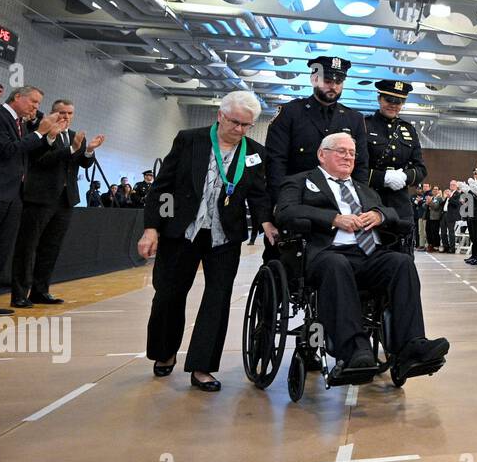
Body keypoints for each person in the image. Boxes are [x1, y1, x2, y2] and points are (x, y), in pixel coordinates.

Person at [274, 132, 449, 385]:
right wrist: (333, 218)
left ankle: (412, 346)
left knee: (401, 263)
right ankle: (355, 350)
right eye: (341, 151)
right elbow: (286, 211)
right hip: (327, 254)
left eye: (352, 153)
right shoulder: (300, 181)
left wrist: (379, 215)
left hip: (368, 255)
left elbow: (393, 214)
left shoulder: (364, 190)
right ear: (322, 155)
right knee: (337, 264)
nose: (348, 156)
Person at [140, 91, 276, 391]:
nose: (240, 130)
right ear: (221, 115)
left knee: (217, 299)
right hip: (182, 231)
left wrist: (266, 221)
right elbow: (163, 188)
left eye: (247, 125)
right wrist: (152, 228)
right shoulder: (190, 139)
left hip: (224, 236)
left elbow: (258, 194)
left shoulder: (255, 153)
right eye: (236, 123)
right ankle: (164, 353)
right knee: (168, 295)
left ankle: (202, 366)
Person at [0, 86, 60, 318]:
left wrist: (48, 138)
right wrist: (39, 133)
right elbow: (8, 150)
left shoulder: (19, 124)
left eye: (38, 104)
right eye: (33, 101)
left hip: (12, 195)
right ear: (18, 97)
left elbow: (26, 155)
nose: (36, 107)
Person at [11, 99, 104, 307]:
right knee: (28, 247)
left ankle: (40, 291)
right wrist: (71, 149)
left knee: (51, 247)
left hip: (66, 199)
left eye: (70, 113)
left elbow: (82, 163)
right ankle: (18, 293)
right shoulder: (41, 131)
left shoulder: (74, 136)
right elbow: (42, 161)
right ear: (53, 113)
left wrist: (88, 150)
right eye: (62, 112)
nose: (66, 116)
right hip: (40, 197)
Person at [264, 56, 368, 197]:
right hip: (297, 196)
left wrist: (361, 200)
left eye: (339, 82)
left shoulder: (354, 119)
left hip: (340, 199)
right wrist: (280, 199)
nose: (333, 87)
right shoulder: (290, 112)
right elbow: (275, 161)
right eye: (327, 81)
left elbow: (360, 165)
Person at [363, 79, 426, 251]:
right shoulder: (364, 125)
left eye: (399, 101)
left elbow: (421, 169)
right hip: (370, 202)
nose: (394, 105)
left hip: (400, 206)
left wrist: (405, 176)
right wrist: (382, 178)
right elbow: (355, 169)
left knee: (403, 258)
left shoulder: (409, 130)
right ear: (379, 99)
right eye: (389, 100)